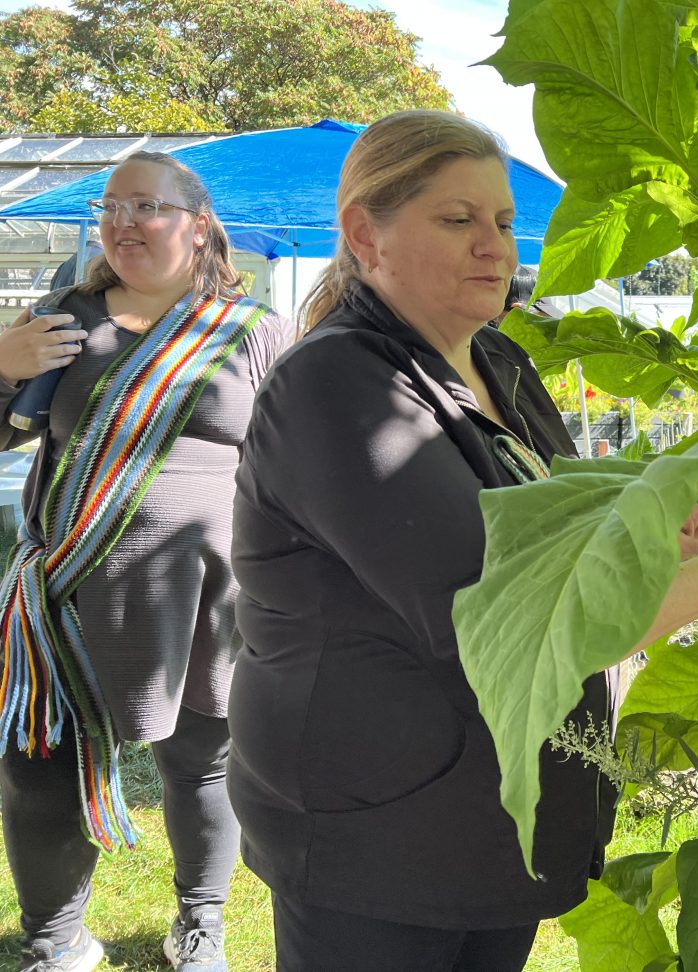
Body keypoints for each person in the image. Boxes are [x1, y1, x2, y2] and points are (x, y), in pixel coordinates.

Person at [226, 109, 698, 972]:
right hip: (377, 837)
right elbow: (507, 617)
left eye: (503, 222)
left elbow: (554, 531)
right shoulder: (339, 387)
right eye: (457, 219)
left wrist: (669, 535)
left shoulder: (497, 362)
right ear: (365, 234)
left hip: (488, 820)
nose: (494, 247)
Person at [0, 151, 293, 972]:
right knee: (37, 763)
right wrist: (3, 366)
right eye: (111, 207)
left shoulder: (257, 332)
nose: (122, 222)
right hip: (65, 591)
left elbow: (301, 463)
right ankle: (57, 937)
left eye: (146, 207)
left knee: (202, 763)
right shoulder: (62, 316)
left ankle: (201, 924)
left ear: (198, 226)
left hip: (209, 594)